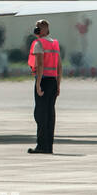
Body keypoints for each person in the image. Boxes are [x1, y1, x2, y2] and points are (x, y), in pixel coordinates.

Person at [27, 19, 60, 154]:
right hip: (53, 81)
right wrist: (58, 85)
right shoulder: (54, 44)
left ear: (44, 30)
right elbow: (59, 66)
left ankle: (41, 146)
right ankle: (48, 146)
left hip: (44, 81)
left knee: (40, 114)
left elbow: (40, 65)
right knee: (50, 114)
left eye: (39, 27)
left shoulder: (39, 44)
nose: (36, 29)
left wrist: (38, 84)